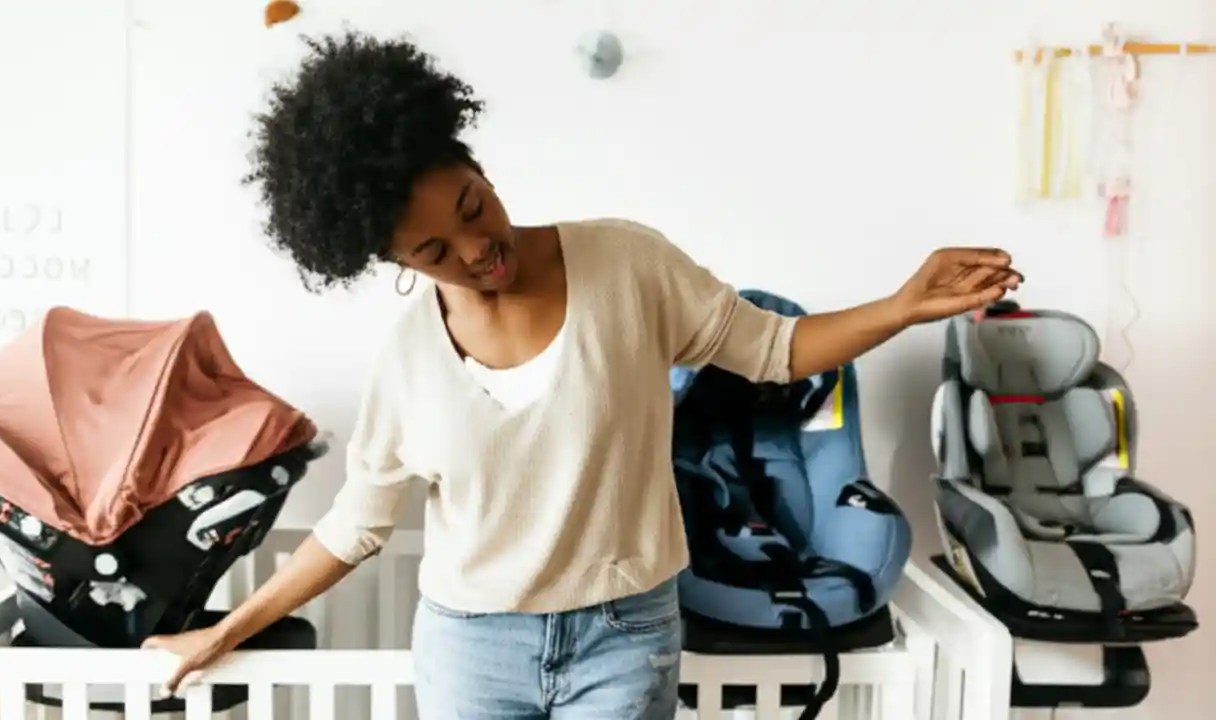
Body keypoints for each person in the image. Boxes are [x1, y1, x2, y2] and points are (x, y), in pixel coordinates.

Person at [141, 31, 1022, 718]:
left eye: (474, 208)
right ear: (389, 258)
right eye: (435, 251)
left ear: (476, 165)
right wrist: (219, 633)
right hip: (469, 654)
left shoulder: (627, 266)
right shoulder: (410, 359)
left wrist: (900, 305)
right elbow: (354, 528)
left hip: (624, 636)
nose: (480, 250)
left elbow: (772, 350)